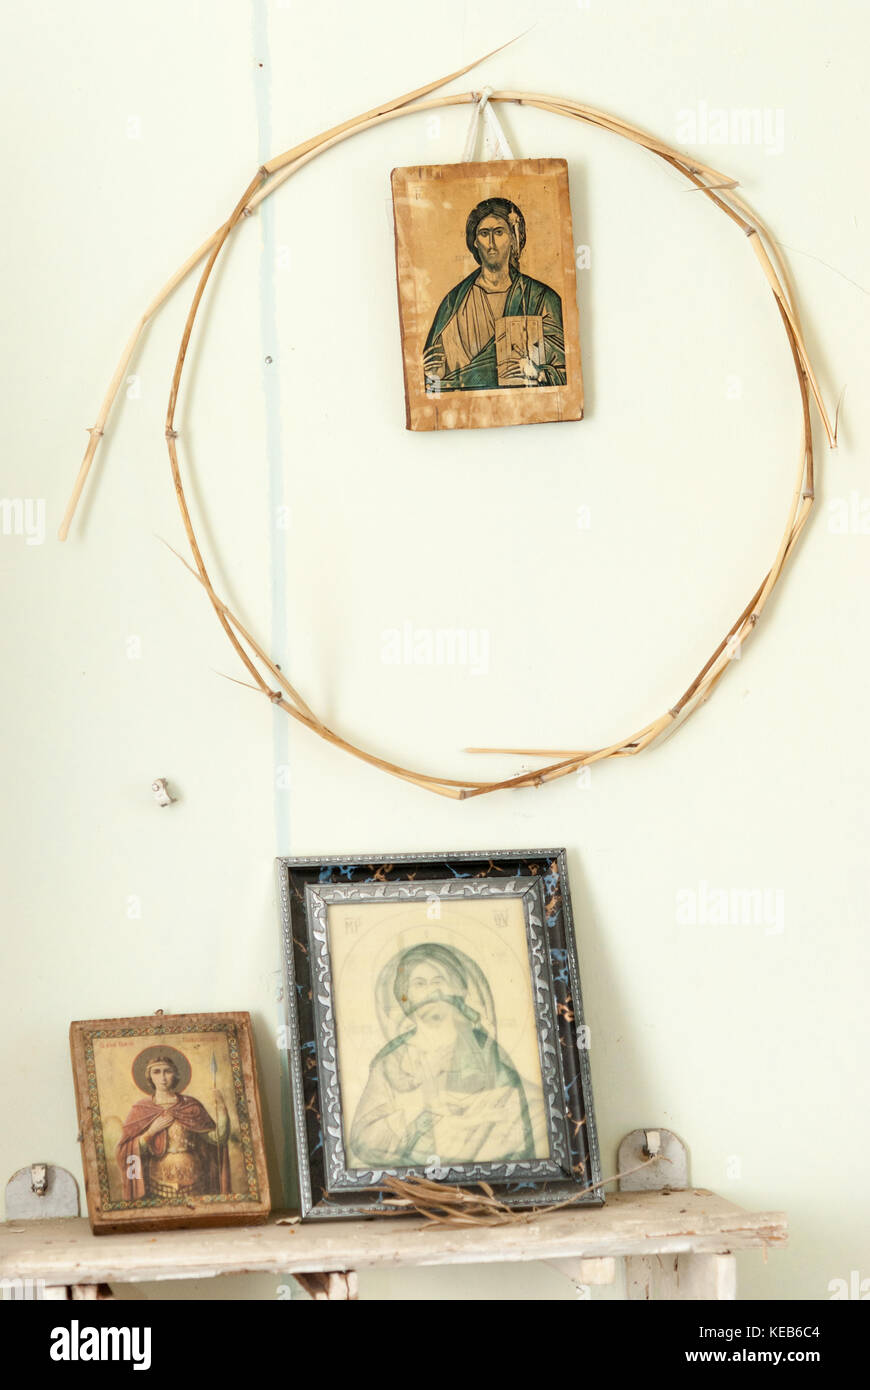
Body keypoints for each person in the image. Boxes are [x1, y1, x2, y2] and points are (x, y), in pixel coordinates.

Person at [349, 943, 537, 1167]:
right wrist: (419, 1110)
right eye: (419, 984)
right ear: (405, 995)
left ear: (458, 990)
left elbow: (521, 1120)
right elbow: (364, 1140)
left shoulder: (486, 1050)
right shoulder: (391, 1062)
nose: (431, 991)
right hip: (413, 1182)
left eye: (439, 981)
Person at [423, 197, 566, 393]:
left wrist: (540, 374)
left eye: (499, 232)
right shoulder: (453, 305)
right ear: (474, 241)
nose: (491, 243)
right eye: (484, 233)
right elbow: (433, 389)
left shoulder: (541, 298)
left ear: (514, 239)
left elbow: (569, 374)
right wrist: (432, 377)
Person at [116, 1055, 230, 1201]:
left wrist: (221, 1107)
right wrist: (151, 1132)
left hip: (194, 1180)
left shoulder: (190, 1106)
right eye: (156, 1072)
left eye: (167, 1071)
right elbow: (126, 1150)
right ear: (149, 1077)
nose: (162, 1077)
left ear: (175, 1074)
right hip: (158, 1182)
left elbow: (217, 1139)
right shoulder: (141, 1110)